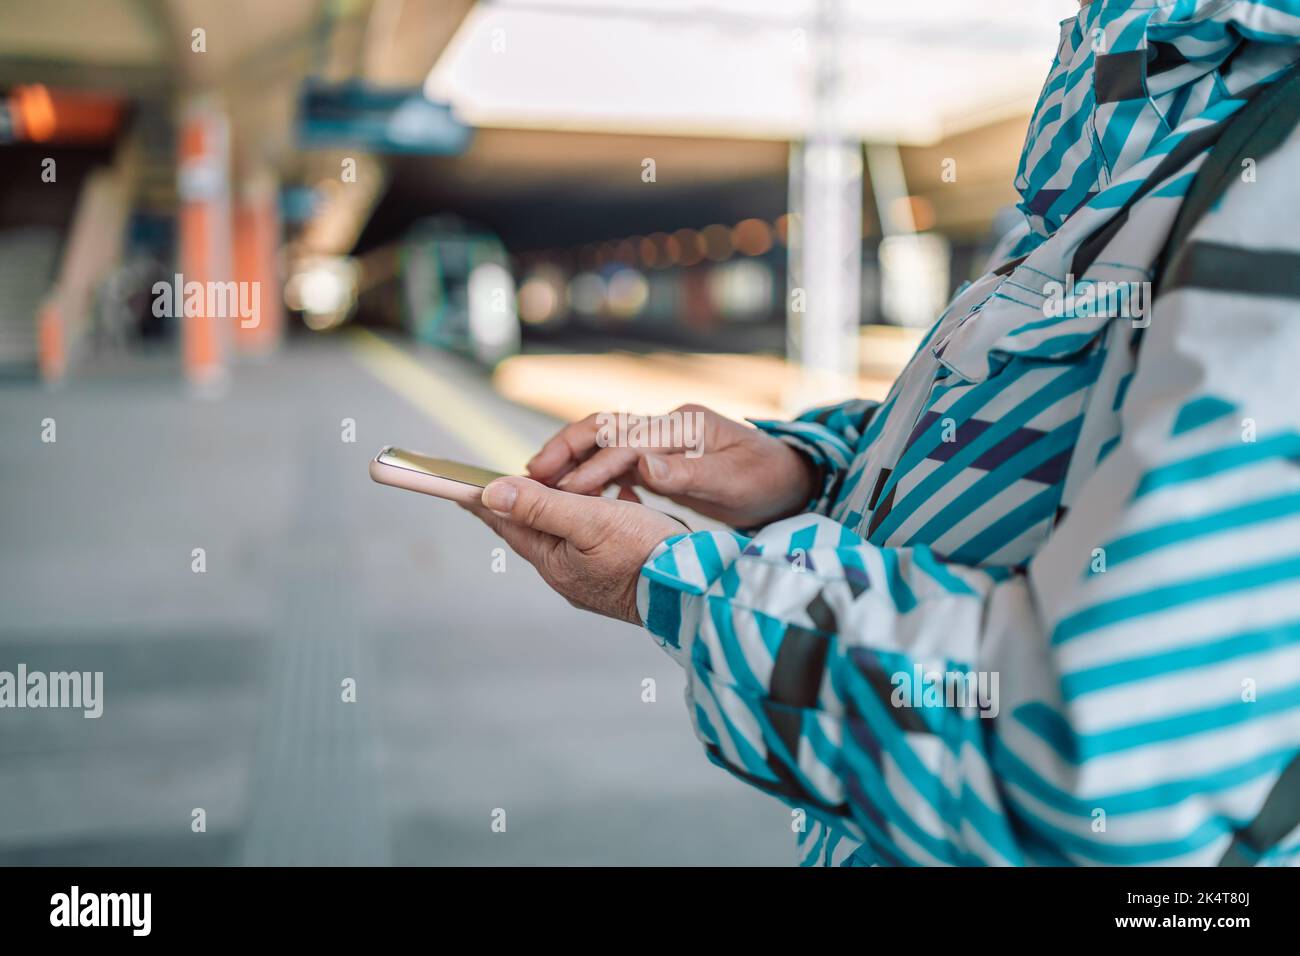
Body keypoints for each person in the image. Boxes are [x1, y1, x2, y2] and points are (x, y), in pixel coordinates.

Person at [464, 0, 1300, 866]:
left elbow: (1101, 772)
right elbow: (1055, 462)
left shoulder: (1276, 170)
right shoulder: (1159, 144)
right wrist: (803, 473)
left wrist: (673, 581)